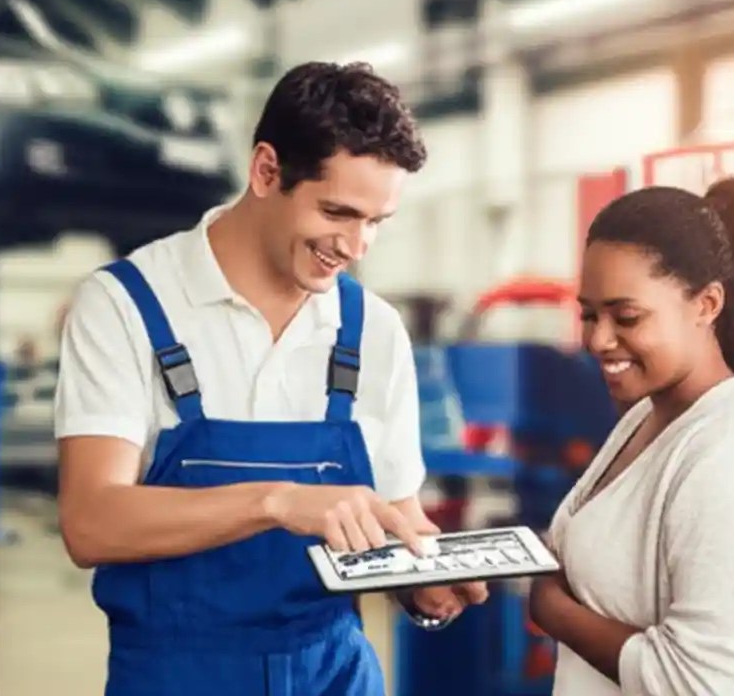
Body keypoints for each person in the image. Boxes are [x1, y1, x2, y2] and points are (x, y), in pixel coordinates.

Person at [53, 61, 489, 696]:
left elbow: (397, 512)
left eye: (375, 222)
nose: (355, 247)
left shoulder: (374, 331)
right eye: (338, 212)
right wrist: (276, 502)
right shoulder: (126, 306)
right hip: (178, 674)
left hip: (334, 670)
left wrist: (421, 585)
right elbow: (91, 522)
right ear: (266, 171)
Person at [530, 178, 734, 694]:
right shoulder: (647, 415)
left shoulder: (731, 456)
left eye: (627, 317)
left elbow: (696, 683)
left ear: (707, 304)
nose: (598, 340)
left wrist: (552, 610)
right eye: (590, 315)